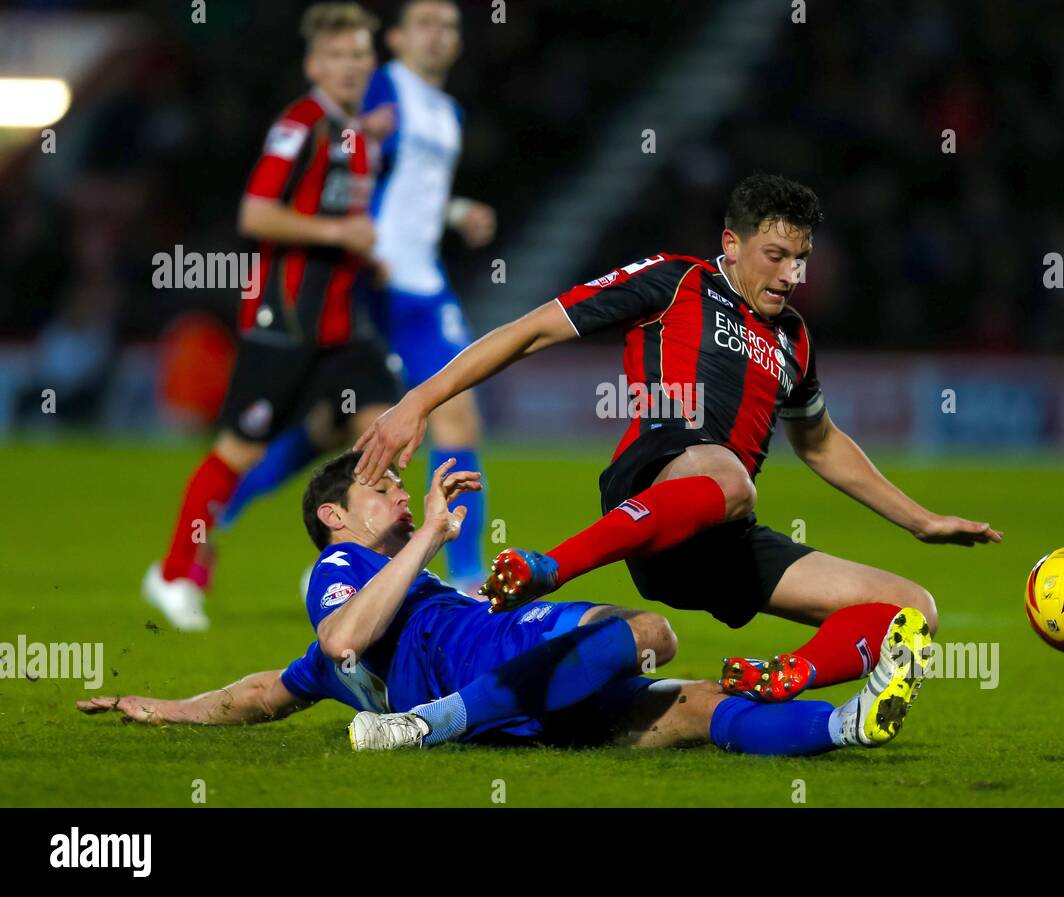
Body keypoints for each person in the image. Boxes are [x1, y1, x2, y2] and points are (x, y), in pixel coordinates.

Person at [352, 173, 1001, 701]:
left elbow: (821, 440)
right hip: (657, 479)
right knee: (727, 474)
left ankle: (783, 678)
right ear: (733, 242)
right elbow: (530, 331)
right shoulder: (677, 279)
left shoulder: (794, 337)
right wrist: (420, 398)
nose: (788, 275)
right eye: (775, 256)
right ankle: (548, 566)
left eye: (800, 260)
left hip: (720, 534)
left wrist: (921, 520)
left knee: (911, 609)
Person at [82, 451, 933, 756]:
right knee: (649, 630)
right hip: (484, 670)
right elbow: (342, 638)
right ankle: (434, 726)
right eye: (385, 491)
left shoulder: (397, 590)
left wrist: (159, 707)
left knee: (708, 707)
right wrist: (424, 539)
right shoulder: (338, 566)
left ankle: (845, 725)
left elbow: (268, 689)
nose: (404, 500)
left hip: (525, 700)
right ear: (335, 518)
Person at [220, 0, 496, 594]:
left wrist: (457, 210)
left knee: (450, 415)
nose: (439, 34)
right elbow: (349, 171)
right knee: (339, 427)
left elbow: (407, 185)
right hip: (376, 282)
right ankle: (221, 513)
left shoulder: (446, 111)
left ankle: (466, 575)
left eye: (450, 24)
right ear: (394, 38)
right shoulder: (383, 90)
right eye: (425, 23)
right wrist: (349, 247)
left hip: (424, 284)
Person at [143, 2, 401, 631]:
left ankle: (348, 566)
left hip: (345, 326)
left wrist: (368, 261)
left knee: (387, 434)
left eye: (358, 55)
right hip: (284, 323)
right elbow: (256, 215)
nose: (348, 65)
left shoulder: (359, 138)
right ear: (314, 63)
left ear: (371, 63)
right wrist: (341, 233)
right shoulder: (300, 124)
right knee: (238, 451)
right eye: (335, 55)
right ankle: (175, 573)